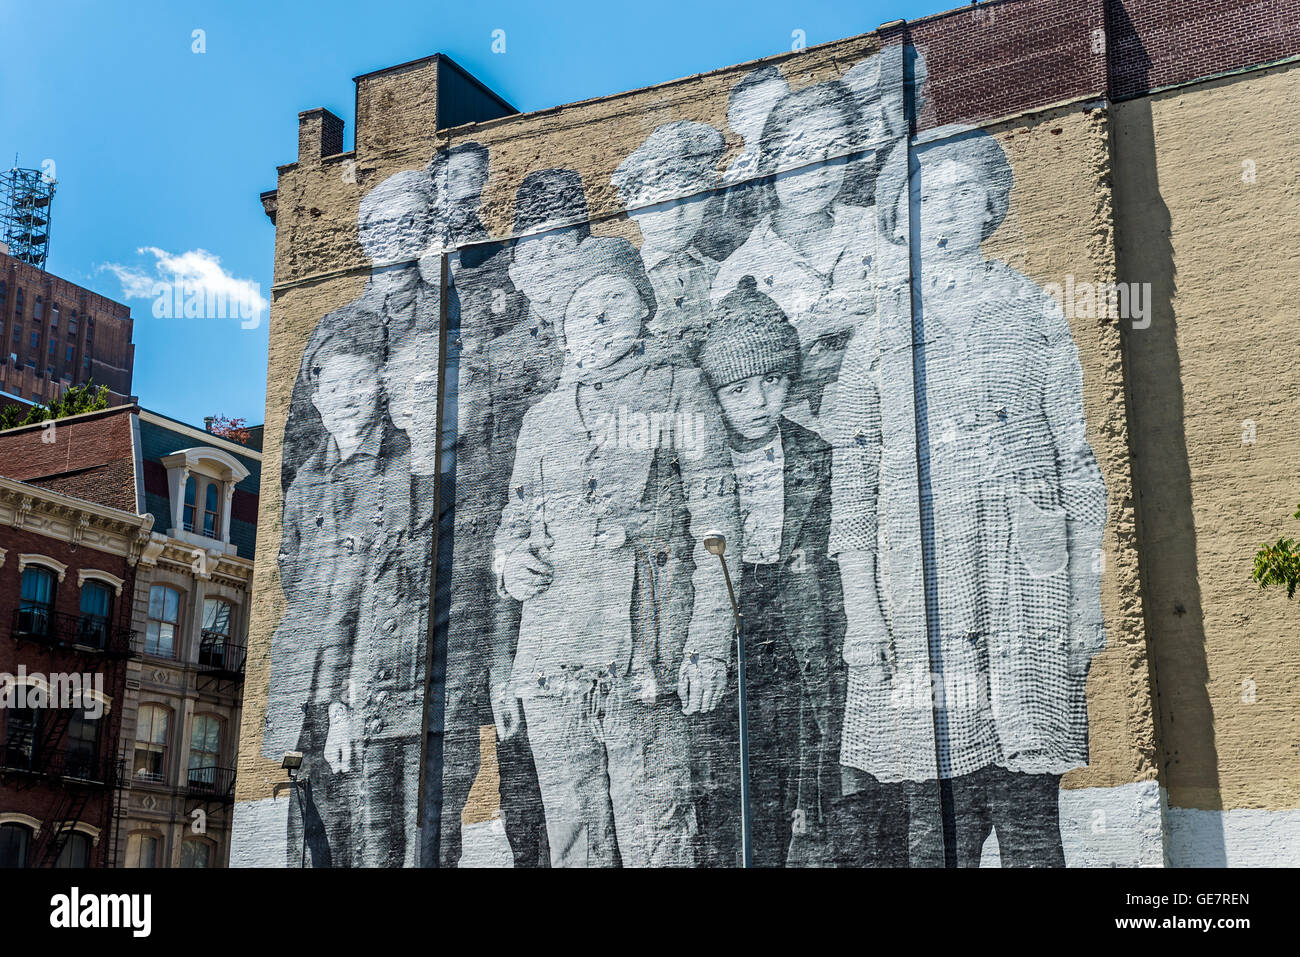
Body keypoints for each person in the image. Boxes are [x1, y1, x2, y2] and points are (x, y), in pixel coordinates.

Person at [832, 130, 1107, 867]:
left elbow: (1078, 462)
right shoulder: (876, 338)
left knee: (1027, 813)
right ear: (897, 216)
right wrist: (864, 619)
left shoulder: (1032, 311)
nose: (944, 211)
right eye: (925, 197)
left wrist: (1085, 599)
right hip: (921, 599)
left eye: (961, 191)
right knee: (936, 820)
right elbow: (853, 496)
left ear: (991, 202)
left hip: (1026, 586)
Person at [493, 237, 739, 867]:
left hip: (646, 645)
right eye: (583, 310)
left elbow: (715, 526)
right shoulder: (543, 417)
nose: (598, 323)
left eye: (615, 304)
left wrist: (709, 645)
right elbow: (513, 524)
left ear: (643, 312)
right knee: (574, 837)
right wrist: (510, 562)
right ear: (565, 324)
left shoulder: (679, 390)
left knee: (657, 830)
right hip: (553, 650)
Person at [420, 142, 552, 869]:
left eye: (476, 181)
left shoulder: (500, 273)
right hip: (439, 597)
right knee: (442, 760)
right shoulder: (414, 279)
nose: (465, 193)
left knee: (519, 737)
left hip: (502, 571)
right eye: (453, 180)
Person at [695, 276, 850, 867]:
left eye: (773, 383)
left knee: (797, 774)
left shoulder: (814, 455)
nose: (759, 402)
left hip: (794, 625)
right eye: (739, 389)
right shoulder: (695, 459)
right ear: (715, 393)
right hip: (722, 621)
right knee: (725, 787)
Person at [711, 80, 881, 442]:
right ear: (770, 160)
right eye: (799, 151)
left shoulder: (877, 228)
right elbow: (735, 386)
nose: (818, 169)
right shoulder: (739, 274)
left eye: (834, 149)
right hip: (801, 456)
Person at [612, 121, 726, 365]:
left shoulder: (722, 274)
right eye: (660, 204)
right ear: (633, 209)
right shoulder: (622, 288)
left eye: (690, 199)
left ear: (707, 199)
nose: (676, 216)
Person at [697, 66, 791, 264]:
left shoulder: (797, 164)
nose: (778, 113)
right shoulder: (732, 174)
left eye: (783, 103)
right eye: (765, 106)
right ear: (736, 119)